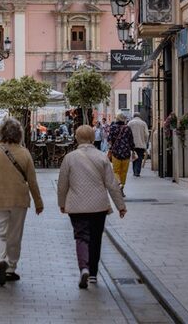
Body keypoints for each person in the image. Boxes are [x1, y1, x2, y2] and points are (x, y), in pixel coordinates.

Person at [57, 124, 127, 289]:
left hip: (76, 206)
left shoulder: (70, 158)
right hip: (98, 206)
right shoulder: (102, 157)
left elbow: (62, 184)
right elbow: (112, 184)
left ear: (76, 138)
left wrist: (62, 203)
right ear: (92, 138)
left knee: (81, 237)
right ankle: (93, 274)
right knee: (96, 238)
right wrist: (120, 206)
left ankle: (84, 268)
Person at [0, 117, 44, 286]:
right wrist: (38, 202)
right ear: (20, 134)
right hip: (19, 200)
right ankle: (11, 268)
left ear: (1, 132)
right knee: (14, 236)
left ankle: (0, 260)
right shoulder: (25, 153)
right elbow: (32, 181)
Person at [107, 115, 135, 191]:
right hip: (126, 152)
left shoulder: (113, 127)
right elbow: (131, 141)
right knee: (124, 171)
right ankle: (122, 186)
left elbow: (109, 140)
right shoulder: (127, 128)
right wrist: (133, 149)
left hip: (115, 152)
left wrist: (112, 144)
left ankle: (119, 183)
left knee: (116, 171)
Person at [127, 113, 150, 177]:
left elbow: (127, 133)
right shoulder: (143, 123)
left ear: (133, 116)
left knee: (133, 157)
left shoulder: (130, 123)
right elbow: (147, 134)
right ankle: (137, 171)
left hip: (132, 144)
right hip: (141, 144)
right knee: (139, 157)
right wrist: (145, 141)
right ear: (140, 116)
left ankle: (134, 171)